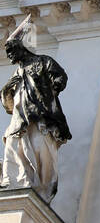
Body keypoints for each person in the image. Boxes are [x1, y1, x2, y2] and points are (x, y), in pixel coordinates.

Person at [1, 18, 71, 202]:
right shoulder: (17, 73)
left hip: (40, 117)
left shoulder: (43, 61)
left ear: (22, 47)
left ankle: (38, 187)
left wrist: (48, 93)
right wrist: (7, 90)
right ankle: (17, 182)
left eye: (12, 50)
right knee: (14, 146)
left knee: (40, 147)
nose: (9, 55)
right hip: (20, 119)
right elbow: (7, 101)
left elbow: (60, 78)